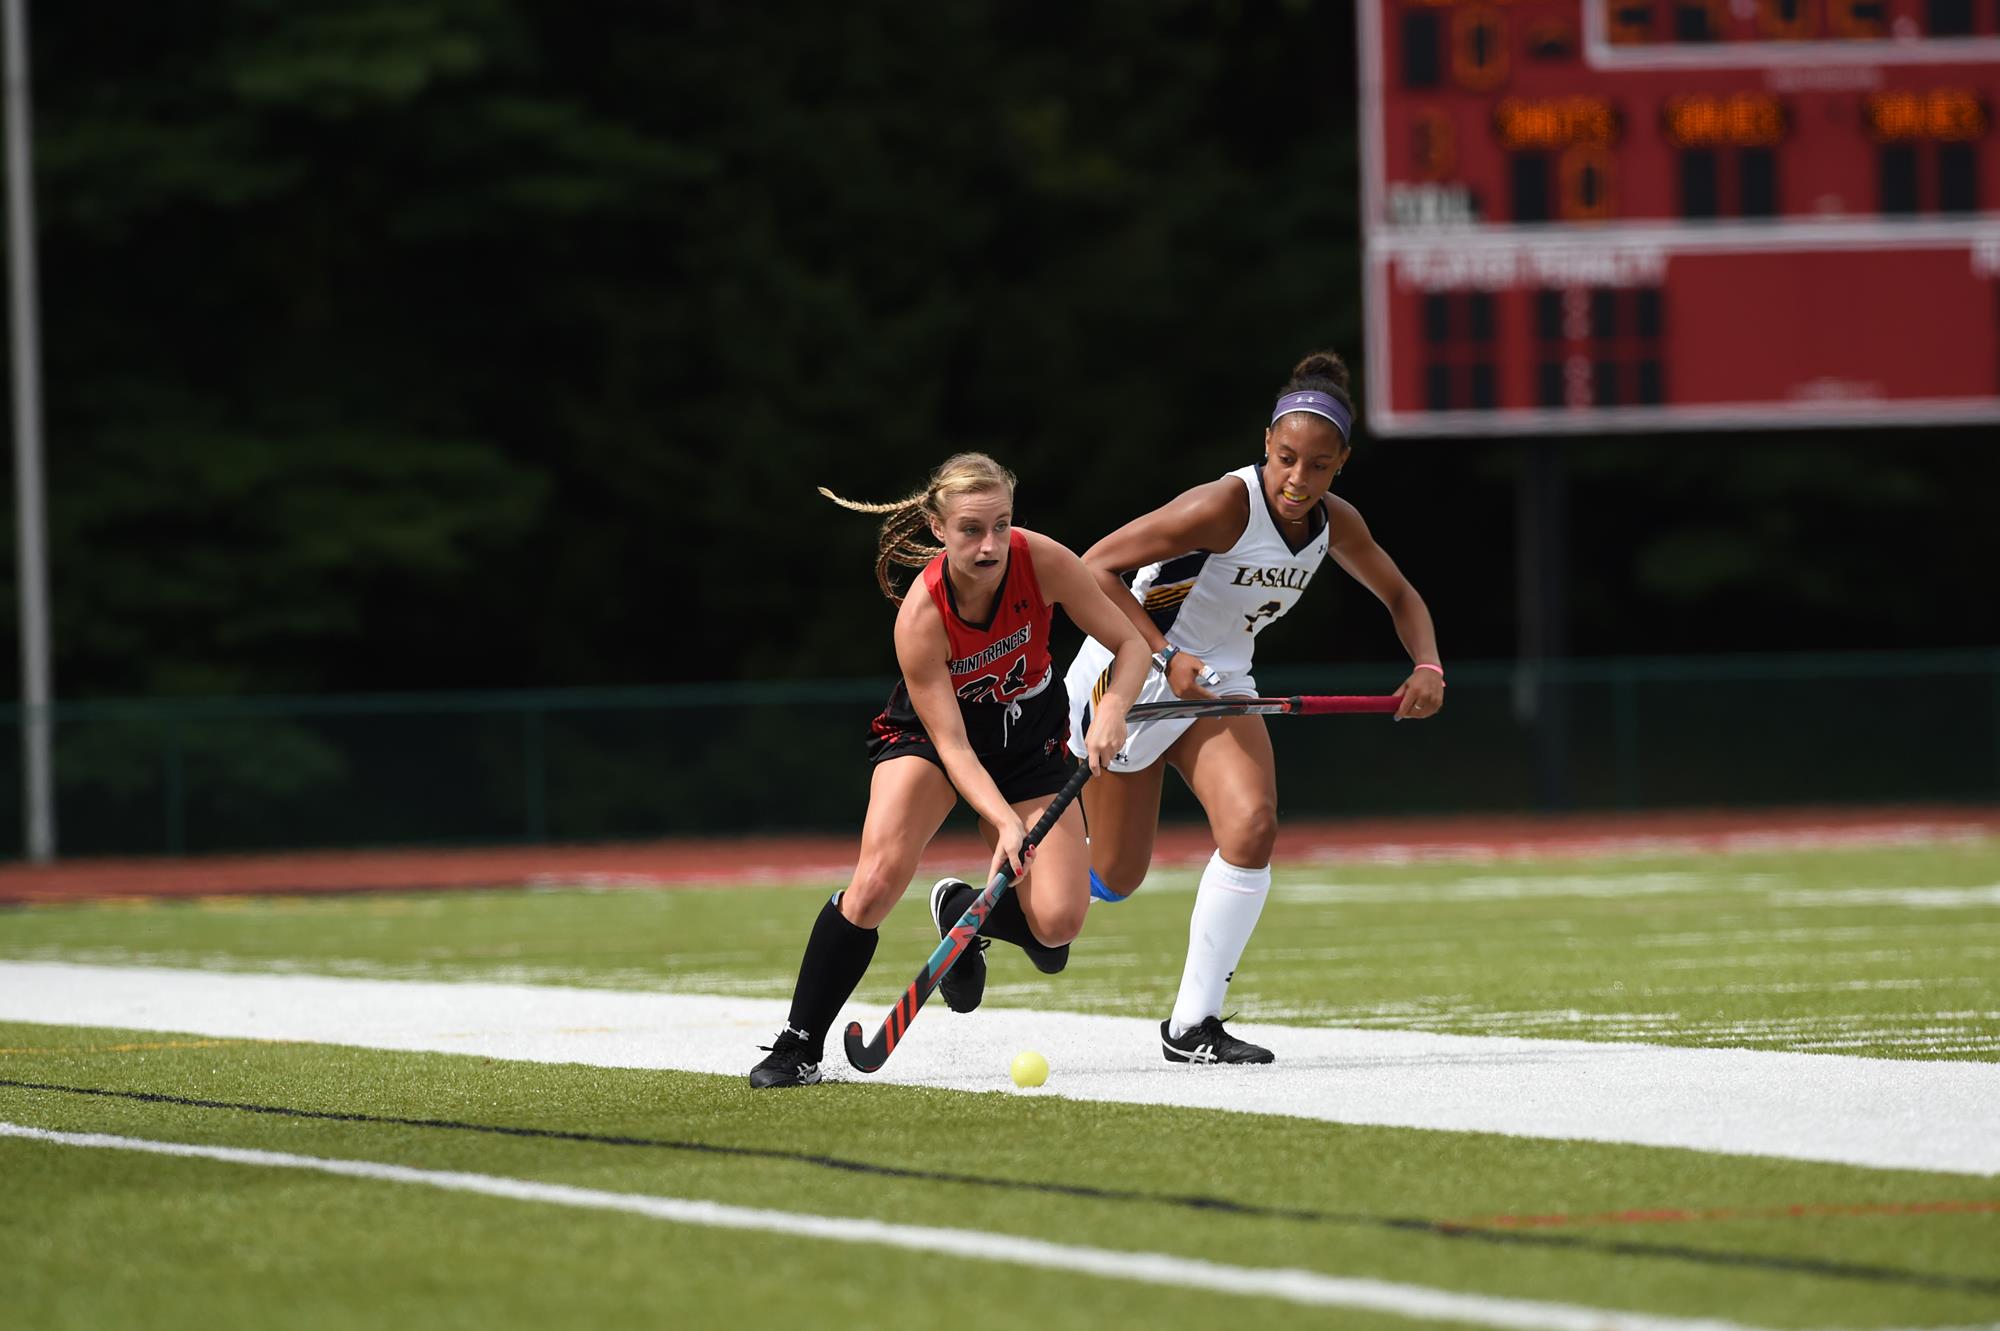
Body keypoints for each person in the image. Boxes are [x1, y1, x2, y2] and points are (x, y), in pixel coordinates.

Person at [1062, 351, 1444, 1065]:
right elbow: (1094, 566)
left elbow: (1401, 596)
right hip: (1131, 678)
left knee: (1253, 825)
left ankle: (1192, 1026)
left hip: (1222, 682)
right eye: (1289, 458)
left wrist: (1427, 664)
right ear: (1267, 442)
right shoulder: (1224, 504)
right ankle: (993, 906)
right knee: (1112, 880)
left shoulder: (1338, 524)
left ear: (1342, 463)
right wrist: (1165, 654)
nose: (1300, 480)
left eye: (1320, 465)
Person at [750, 451, 1152, 1088]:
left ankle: (964, 910)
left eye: (1001, 525)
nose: (990, 544)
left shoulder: (1042, 559)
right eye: (971, 529)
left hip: (1032, 745)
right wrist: (1003, 825)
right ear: (939, 529)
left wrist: (1112, 711)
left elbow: (1132, 643)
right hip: (936, 743)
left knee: (1057, 932)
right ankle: (799, 1043)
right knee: (878, 877)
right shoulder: (921, 617)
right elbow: (955, 745)